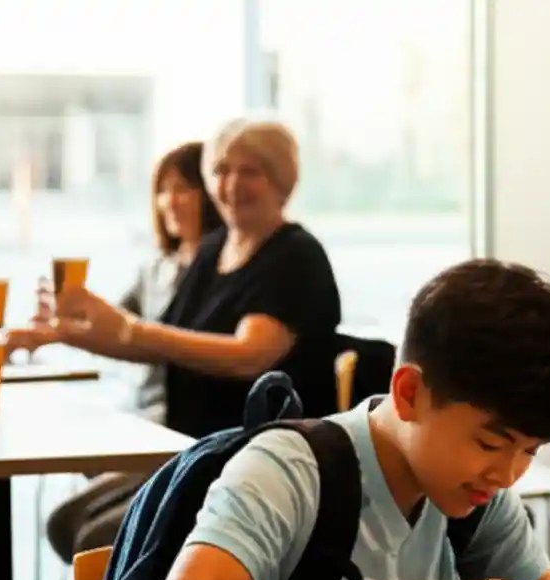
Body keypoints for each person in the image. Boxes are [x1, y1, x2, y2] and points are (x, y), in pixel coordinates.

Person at [145, 259, 550, 580]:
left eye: (530, 452)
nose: (507, 475)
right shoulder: (290, 470)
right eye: (490, 443)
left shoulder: (480, 496)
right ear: (408, 393)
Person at [53, 118, 342, 440]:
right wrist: (69, 332)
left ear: (281, 181)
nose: (232, 186)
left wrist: (129, 329)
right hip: (188, 449)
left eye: (250, 172)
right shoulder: (212, 249)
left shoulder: (295, 254)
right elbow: (157, 346)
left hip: (257, 457)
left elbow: (249, 356)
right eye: (221, 171)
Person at [10, 141, 226, 562]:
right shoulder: (157, 267)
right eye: (162, 190)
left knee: (85, 532)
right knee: (64, 523)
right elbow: (108, 326)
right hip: (143, 423)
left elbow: (133, 334)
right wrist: (52, 329)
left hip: (178, 432)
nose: (170, 201)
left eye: (184, 188)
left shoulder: (219, 269)